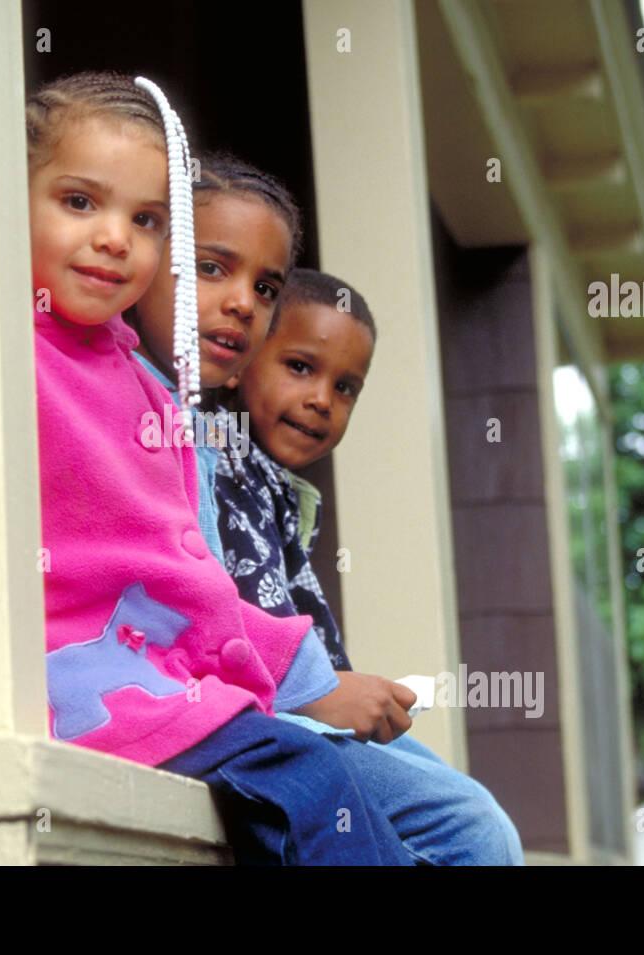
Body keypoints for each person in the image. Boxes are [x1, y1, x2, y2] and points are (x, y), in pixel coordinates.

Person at [0, 71, 415, 864]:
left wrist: (291, 670)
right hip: (80, 696)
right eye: (80, 202)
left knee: (346, 800)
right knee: (315, 783)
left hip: (177, 690)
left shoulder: (144, 387)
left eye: (146, 219)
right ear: (7, 200)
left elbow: (186, 583)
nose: (117, 237)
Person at [214, 267, 526, 864]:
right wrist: (321, 690)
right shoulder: (207, 455)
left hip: (317, 708)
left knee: (480, 812)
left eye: (347, 387)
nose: (321, 401)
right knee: (472, 828)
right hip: (269, 715)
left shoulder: (280, 491)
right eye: (300, 367)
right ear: (244, 352)